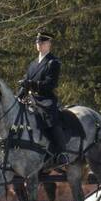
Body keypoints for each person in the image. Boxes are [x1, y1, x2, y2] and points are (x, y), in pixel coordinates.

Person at [20, 31, 66, 164]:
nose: (39, 45)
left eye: (42, 42)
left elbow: (51, 84)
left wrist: (32, 84)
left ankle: (61, 152)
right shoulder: (33, 63)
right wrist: (19, 95)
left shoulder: (53, 62)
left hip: (45, 99)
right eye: (37, 42)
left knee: (51, 119)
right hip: (30, 99)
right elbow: (25, 82)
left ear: (49, 44)